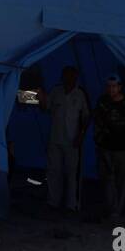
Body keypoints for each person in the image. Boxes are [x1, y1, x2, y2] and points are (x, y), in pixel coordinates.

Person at [39, 67, 90, 212]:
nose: (68, 78)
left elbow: (86, 117)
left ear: (76, 77)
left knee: (72, 173)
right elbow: (45, 107)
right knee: (54, 171)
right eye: (66, 76)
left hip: (73, 140)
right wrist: (39, 95)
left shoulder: (80, 94)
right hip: (55, 138)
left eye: (71, 76)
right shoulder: (56, 91)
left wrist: (81, 134)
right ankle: (53, 202)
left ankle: (71, 205)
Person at [93, 74, 125, 218]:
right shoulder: (102, 102)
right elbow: (97, 122)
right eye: (109, 86)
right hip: (106, 147)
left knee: (121, 179)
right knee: (108, 179)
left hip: (124, 148)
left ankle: (118, 208)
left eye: (114, 86)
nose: (112, 89)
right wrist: (98, 141)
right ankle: (112, 209)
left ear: (120, 87)